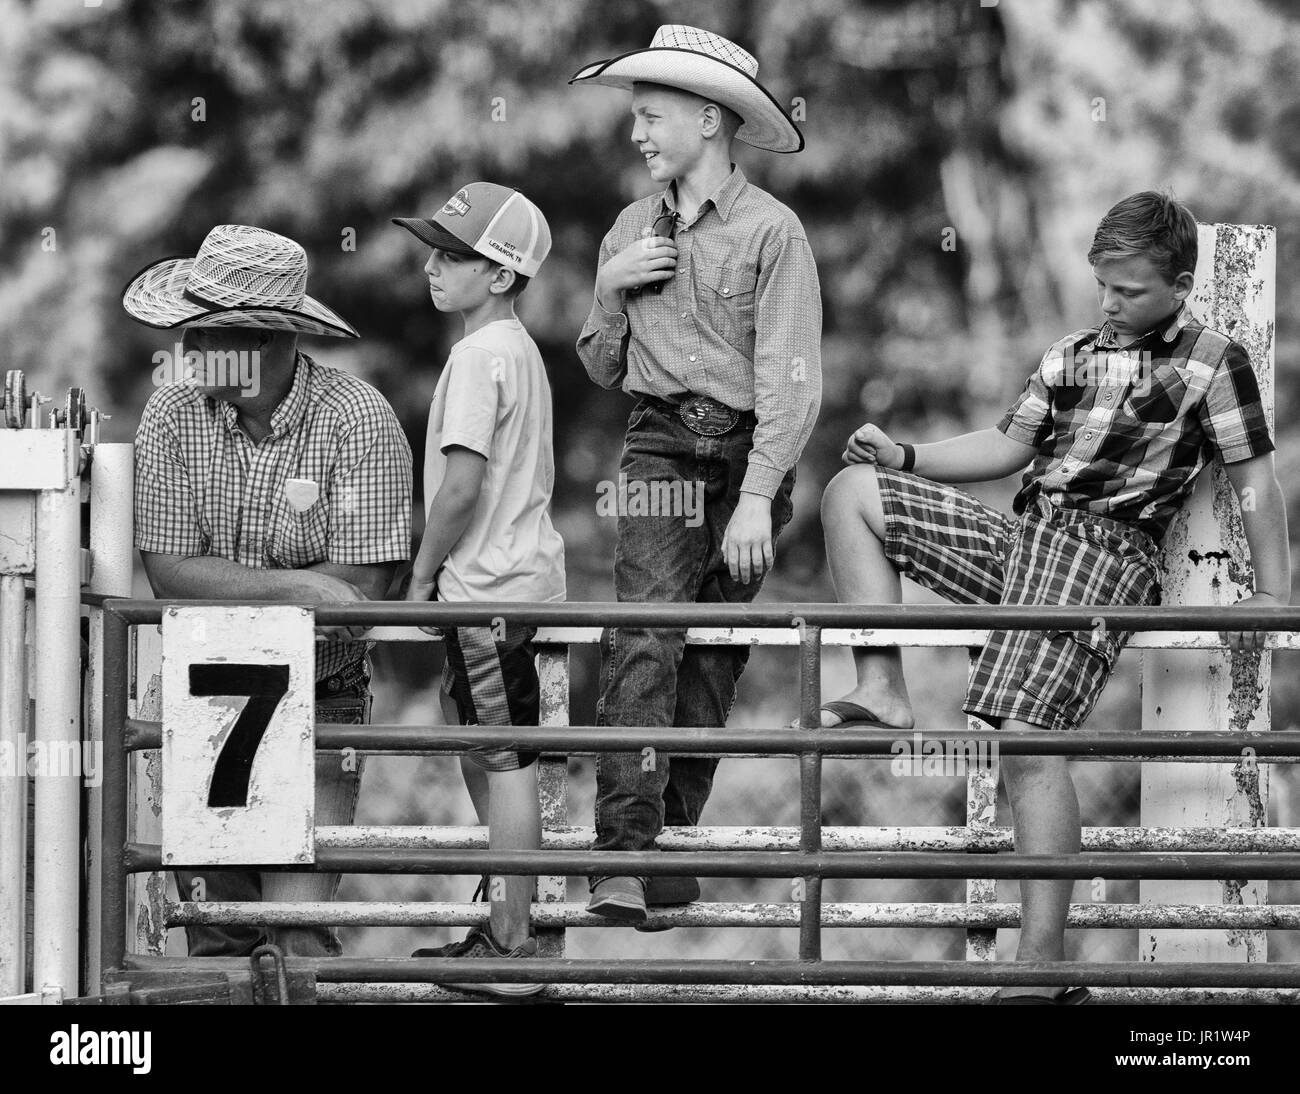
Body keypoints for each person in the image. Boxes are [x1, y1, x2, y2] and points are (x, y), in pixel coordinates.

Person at [818, 191, 1289, 1002]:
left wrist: (1276, 594)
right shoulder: (1071, 352)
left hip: (1103, 552)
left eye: (1130, 290)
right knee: (854, 490)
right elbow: (1005, 449)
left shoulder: (1215, 361)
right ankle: (881, 684)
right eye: (1102, 284)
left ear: (1179, 286)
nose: (1110, 302)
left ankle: (1041, 963)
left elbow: (1255, 482)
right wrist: (907, 451)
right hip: (1027, 536)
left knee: (1022, 739)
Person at [571, 25, 822, 923]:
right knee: (645, 631)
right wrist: (609, 289)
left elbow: (791, 380)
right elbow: (603, 370)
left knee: (713, 653)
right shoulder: (630, 230)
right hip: (659, 443)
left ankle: (667, 843)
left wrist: (757, 496)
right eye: (634, 118)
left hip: (752, 455)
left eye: (650, 116)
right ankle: (622, 859)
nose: (636, 135)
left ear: (708, 120)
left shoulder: (771, 232)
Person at [125, 224, 412, 957]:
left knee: (295, 940)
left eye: (204, 332)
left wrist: (277, 590)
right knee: (221, 937)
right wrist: (299, 585)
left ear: (264, 341)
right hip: (208, 696)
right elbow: (169, 569)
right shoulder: (171, 413)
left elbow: (360, 591)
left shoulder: (358, 419)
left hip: (322, 696)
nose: (186, 349)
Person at [394, 183, 565, 996]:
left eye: (452, 255)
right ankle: (502, 916)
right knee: (489, 746)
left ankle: (514, 943)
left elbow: (461, 486)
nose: (432, 266)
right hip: (515, 584)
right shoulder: (518, 351)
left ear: (498, 275)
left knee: (505, 761)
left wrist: (422, 577)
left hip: (484, 587)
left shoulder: (476, 357)